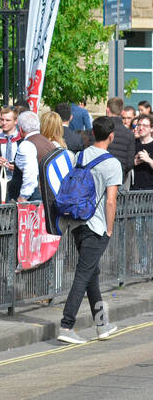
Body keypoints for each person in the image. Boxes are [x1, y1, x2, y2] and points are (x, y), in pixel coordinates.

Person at [56, 117, 123, 344]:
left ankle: (102, 324)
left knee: (91, 274)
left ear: (93, 133)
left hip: (77, 222)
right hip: (97, 226)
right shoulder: (113, 163)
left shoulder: (80, 155)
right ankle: (66, 326)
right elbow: (111, 201)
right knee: (84, 274)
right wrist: (110, 229)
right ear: (111, 136)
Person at [132, 114, 153, 191]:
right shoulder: (132, 144)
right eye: (139, 125)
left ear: (151, 129)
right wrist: (133, 162)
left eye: (145, 125)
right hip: (134, 190)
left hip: (150, 190)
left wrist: (149, 160)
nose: (141, 128)